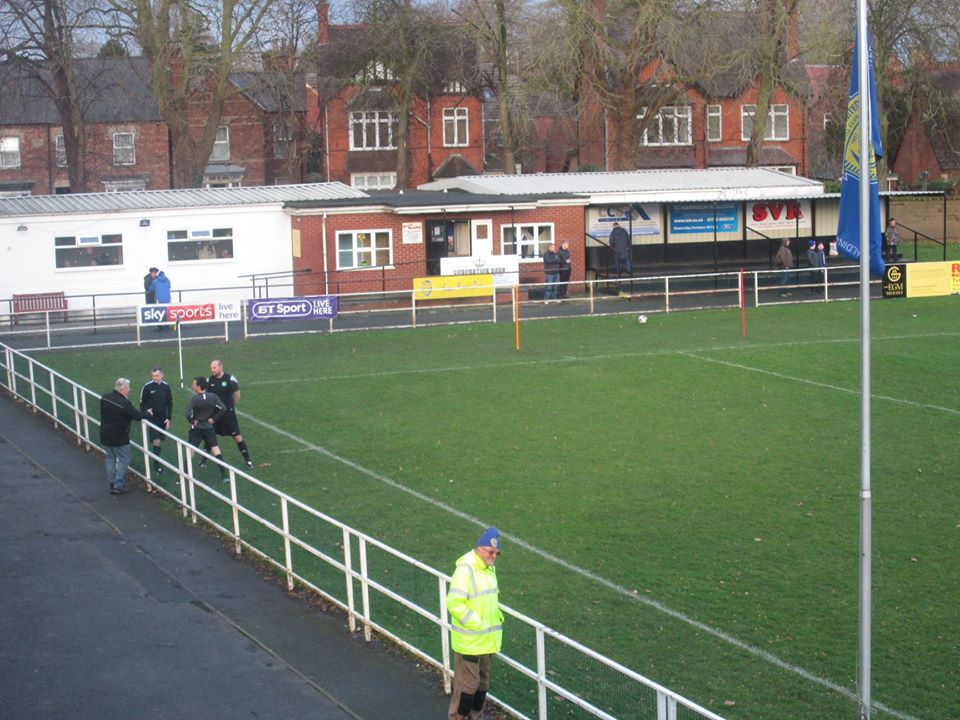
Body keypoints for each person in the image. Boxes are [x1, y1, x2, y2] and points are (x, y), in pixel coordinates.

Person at [447, 527, 504, 720]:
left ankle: (475, 717)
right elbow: (454, 603)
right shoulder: (466, 569)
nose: (494, 556)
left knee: (481, 686)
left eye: (497, 553)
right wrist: (477, 623)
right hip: (470, 642)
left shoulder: (488, 568)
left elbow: (487, 601)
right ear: (479, 549)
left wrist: (497, 617)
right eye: (490, 551)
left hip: (485, 641)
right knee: (467, 689)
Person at [99, 377, 144, 495]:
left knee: (110, 458)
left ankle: (112, 482)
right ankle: (118, 485)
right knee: (124, 458)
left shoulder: (105, 397)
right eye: (128, 388)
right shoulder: (124, 403)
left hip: (105, 433)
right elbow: (137, 416)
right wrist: (147, 414)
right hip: (119, 436)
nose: (129, 390)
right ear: (122, 388)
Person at [208, 359, 254, 468]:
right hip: (215, 415)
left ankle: (248, 461)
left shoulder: (230, 379)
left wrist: (231, 407)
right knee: (210, 436)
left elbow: (237, 394)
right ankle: (203, 461)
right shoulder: (209, 380)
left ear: (220, 367)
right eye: (211, 368)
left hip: (228, 415)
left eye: (214, 368)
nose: (212, 370)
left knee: (237, 437)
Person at [185, 376, 228, 480]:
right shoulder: (213, 397)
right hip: (209, 428)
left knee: (190, 452)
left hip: (197, 428)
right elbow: (223, 408)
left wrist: (192, 421)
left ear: (198, 387)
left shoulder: (194, 398)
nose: (193, 386)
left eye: (194, 384)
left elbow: (187, 413)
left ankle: (184, 475)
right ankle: (224, 476)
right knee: (216, 450)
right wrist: (213, 419)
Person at [140, 367, 173, 475]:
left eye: (156, 376)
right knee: (157, 440)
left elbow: (170, 404)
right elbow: (142, 402)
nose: (154, 378)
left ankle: (156, 462)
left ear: (161, 375)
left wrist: (169, 418)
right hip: (151, 419)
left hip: (162, 419)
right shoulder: (147, 387)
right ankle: (157, 467)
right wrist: (145, 411)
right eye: (153, 376)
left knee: (159, 442)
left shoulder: (166, 387)